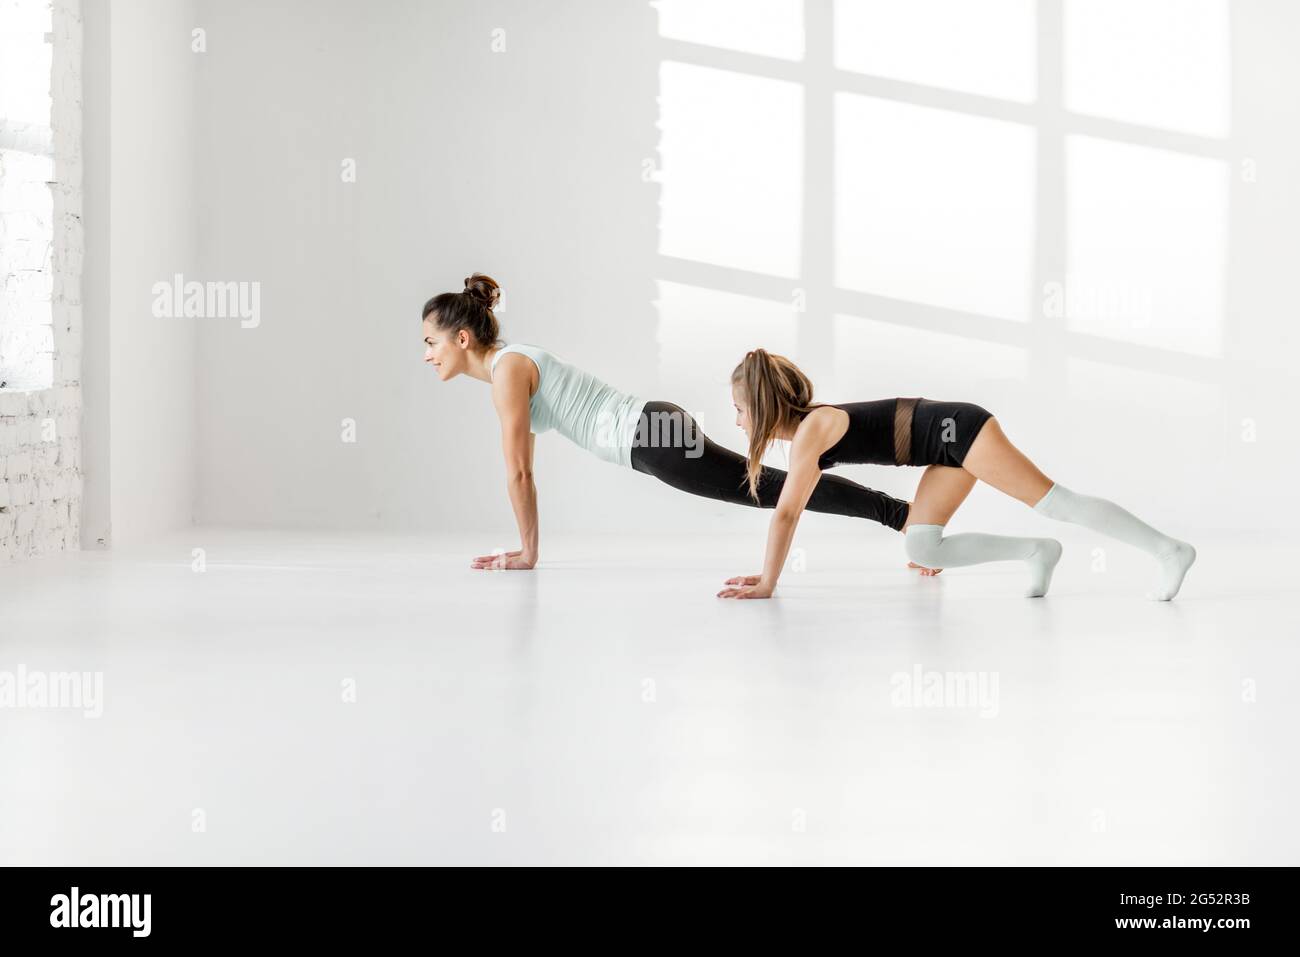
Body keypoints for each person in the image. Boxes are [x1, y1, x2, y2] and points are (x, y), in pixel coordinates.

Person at [421, 275, 925, 571]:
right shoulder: (510, 366)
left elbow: (519, 474)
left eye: (431, 343)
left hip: (652, 437)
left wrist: (529, 553)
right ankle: (900, 514)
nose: (427, 356)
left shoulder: (509, 370)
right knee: (771, 486)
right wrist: (530, 548)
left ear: (462, 338)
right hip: (655, 429)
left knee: (772, 488)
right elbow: (524, 468)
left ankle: (900, 516)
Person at [717, 349, 1195, 601]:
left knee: (1056, 502)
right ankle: (1037, 551)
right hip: (938, 450)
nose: (737, 420)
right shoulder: (810, 431)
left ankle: (1169, 550)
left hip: (958, 430)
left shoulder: (811, 431)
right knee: (922, 544)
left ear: (761, 407)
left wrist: (767, 582)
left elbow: (786, 516)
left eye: (739, 409)